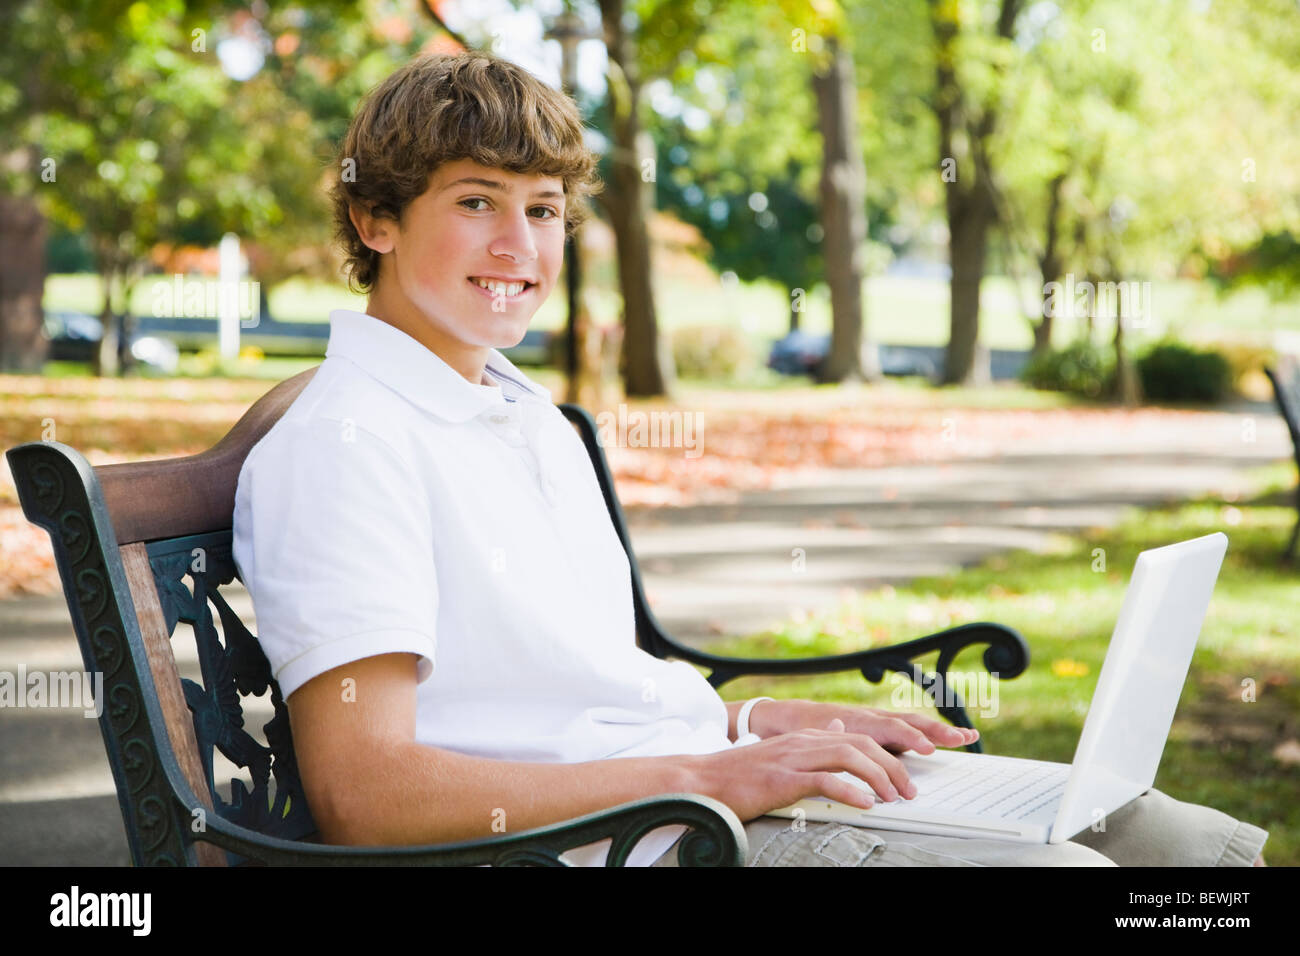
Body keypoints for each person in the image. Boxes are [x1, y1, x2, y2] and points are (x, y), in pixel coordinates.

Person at [231, 50, 1268, 868]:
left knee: (1167, 840)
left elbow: (571, 694)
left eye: (543, 210)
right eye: (475, 202)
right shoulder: (345, 445)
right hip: (622, 842)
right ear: (374, 217)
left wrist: (759, 720)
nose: (520, 247)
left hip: (687, 796)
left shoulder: (518, 413)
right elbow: (367, 797)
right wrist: (717, 772)